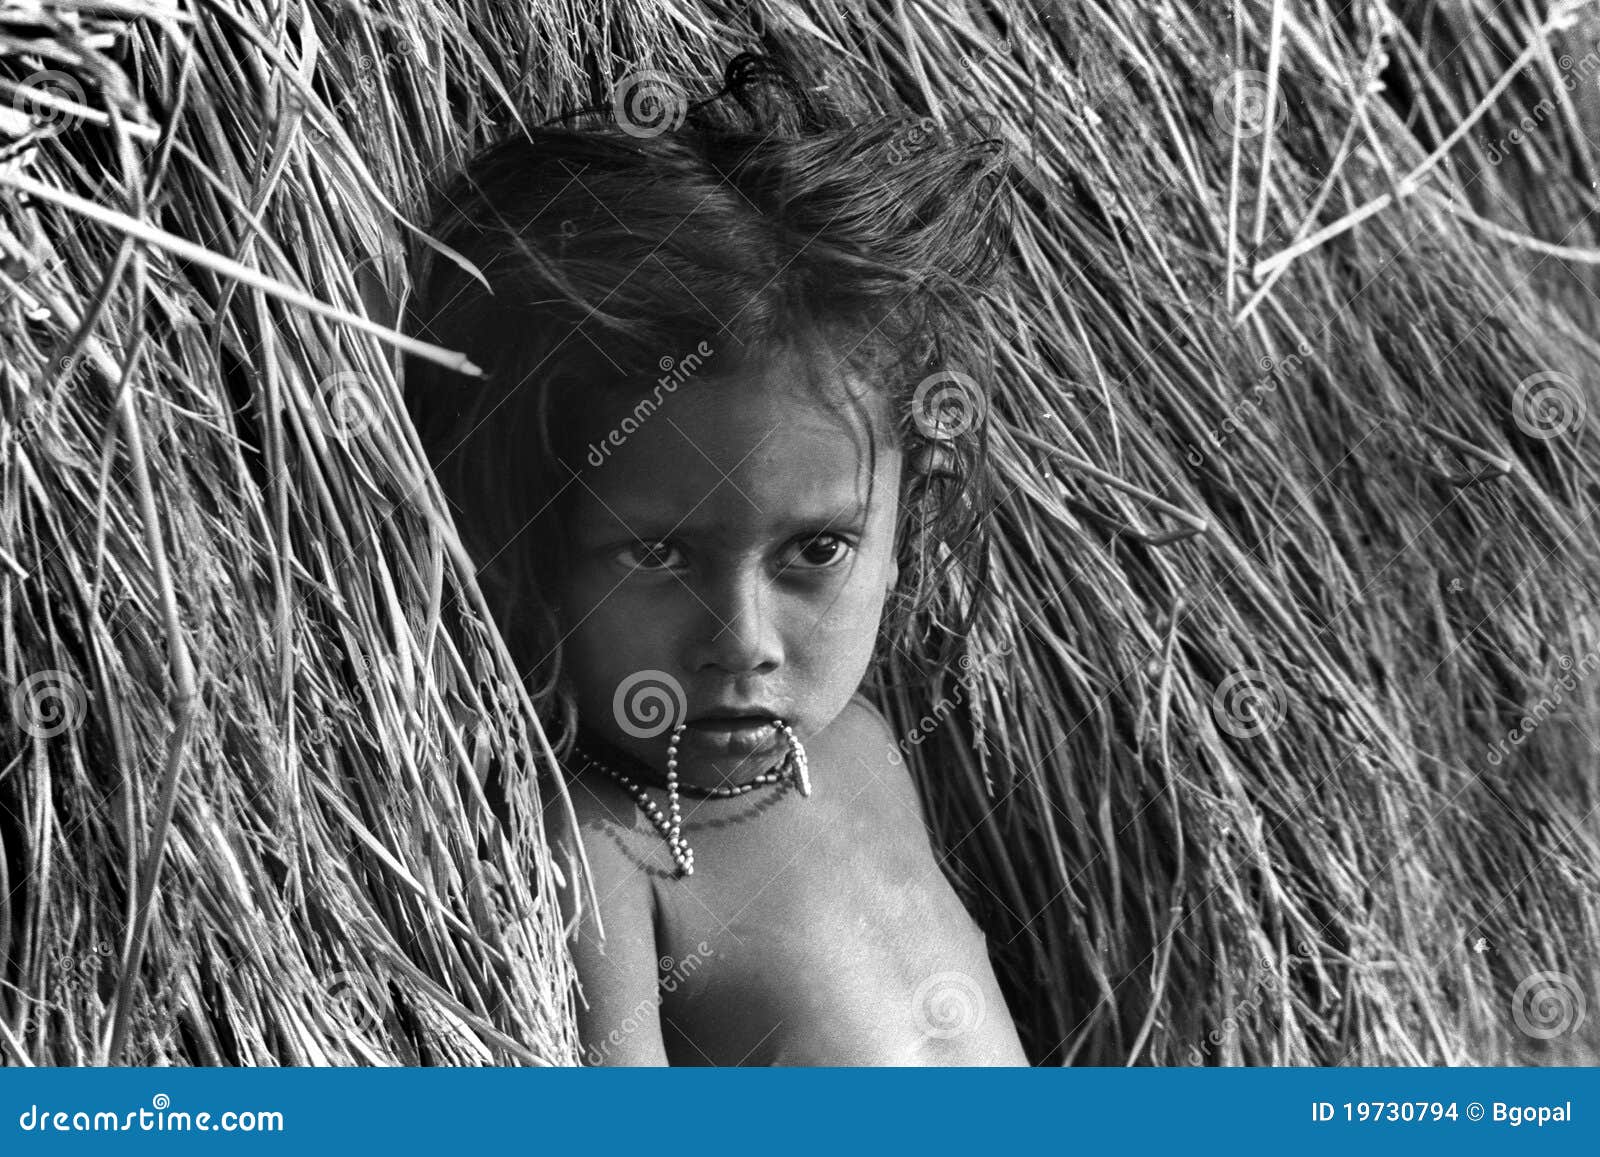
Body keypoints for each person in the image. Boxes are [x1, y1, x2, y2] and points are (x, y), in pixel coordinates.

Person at [404, 54, 1028, 1065]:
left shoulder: (861, 748)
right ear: (529, 548)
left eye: (815, 548)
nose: (741, 640)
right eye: (656, 551)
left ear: (904, 513)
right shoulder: (606, 856)